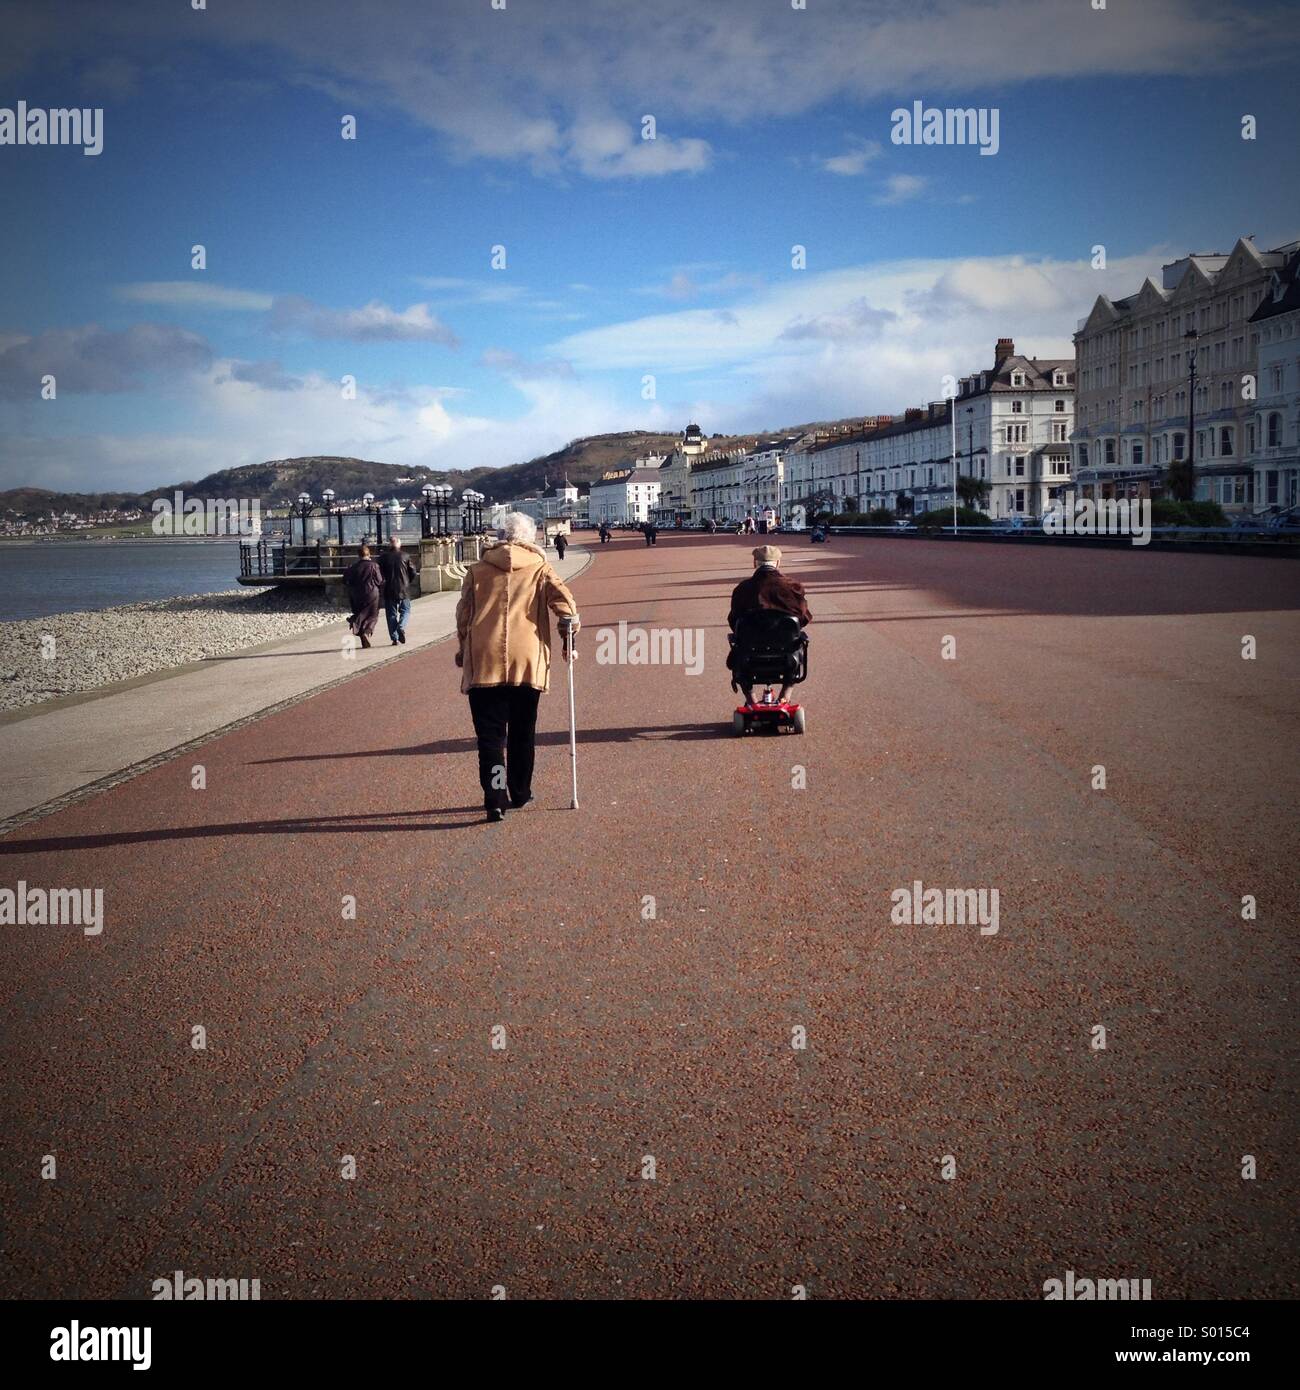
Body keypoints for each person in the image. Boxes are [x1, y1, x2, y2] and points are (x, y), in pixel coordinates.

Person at [455, 512, 580, 823]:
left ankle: (495, 797)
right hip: (527, 660)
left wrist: (462, 648)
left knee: (491, 737)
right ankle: (520, 791)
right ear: (529, 537)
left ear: (501, 535)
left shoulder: (477, 570)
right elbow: (567, 607)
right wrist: (568, 640)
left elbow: (463, 616)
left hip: (485, 660)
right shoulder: (540, 568)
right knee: (523, 732)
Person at [727, 544, 811, 705]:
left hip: (749, 653)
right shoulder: (793, 586)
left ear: (754, 563)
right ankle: (784, 697)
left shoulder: (742, 589)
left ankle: (751, 700)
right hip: (786, 653)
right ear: (778, 563)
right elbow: (803, 618)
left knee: (738, 651)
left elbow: (734, 620)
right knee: (798, 642)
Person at [378, 535, 419, 646]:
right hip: (404, 589)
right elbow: (413, 571)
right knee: (405, 610)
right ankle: (401, 627)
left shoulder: (383, 558)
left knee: (391, 614)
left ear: (390, 544)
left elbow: (379, 574)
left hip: (389, 589)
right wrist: (407, 581)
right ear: (399, 544)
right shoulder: (405, 556)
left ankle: (394, 638)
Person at [343, 543, 383, 649]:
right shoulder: (374, 566)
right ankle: (366, 630)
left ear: (359, 555)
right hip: (372, 594)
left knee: (361, 613)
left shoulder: (353, 567)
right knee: (373, 615)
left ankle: (361, 634)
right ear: (369, 554)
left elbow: (347, 581)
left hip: (357, 594)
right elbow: (379, 581)